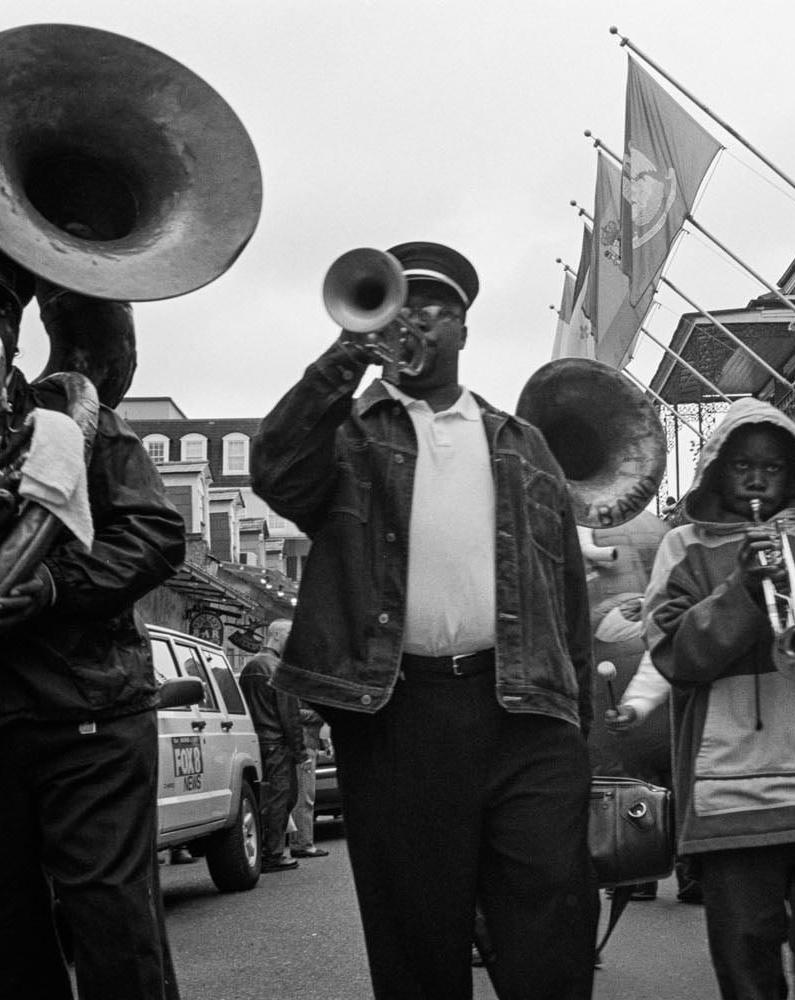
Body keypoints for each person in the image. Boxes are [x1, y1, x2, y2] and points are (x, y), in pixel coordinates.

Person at [251, 241, 597, 1000]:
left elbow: (569, 597)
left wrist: (582, 736)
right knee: (418, 946)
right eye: (402, 306)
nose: (418, 322)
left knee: (551, 938)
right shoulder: (348, 433)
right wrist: (345, 359)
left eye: (437, 309)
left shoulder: (523, 442)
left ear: (465, 332)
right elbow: (273, 468)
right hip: (400, 716)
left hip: (526, 718)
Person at [0, 241, 186, 999]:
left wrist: (56, 587)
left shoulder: (69, 416)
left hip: (88, 714)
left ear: (17, 331)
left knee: (115, 932)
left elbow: (157, 534)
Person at [643, 397, 795, 1000]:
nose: (756, 479)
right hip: (731, 795)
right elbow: (672, 654)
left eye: (773, 467)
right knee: (745, 965)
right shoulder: (682, 547)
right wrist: (741, 592)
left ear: (794, 471)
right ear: (715, 471)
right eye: (741, 466)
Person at [239, 619, 306, 873]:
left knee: (266, 799)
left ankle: (266, 849)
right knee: (282, 798)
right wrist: (300, 752)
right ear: (276, 636)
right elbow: (290, 716)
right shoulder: (278, 669)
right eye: (290, 634)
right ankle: (273, 853)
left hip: (255, 741)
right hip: (277, 744)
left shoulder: (250, 667)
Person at [289, 703, 329, 859]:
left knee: (305, 796)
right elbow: (293, 713)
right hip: (304, 744)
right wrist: (320, 715)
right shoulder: (296, 689)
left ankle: (302, 842)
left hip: (308, 742)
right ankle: (302, 844)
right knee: (304, 797)